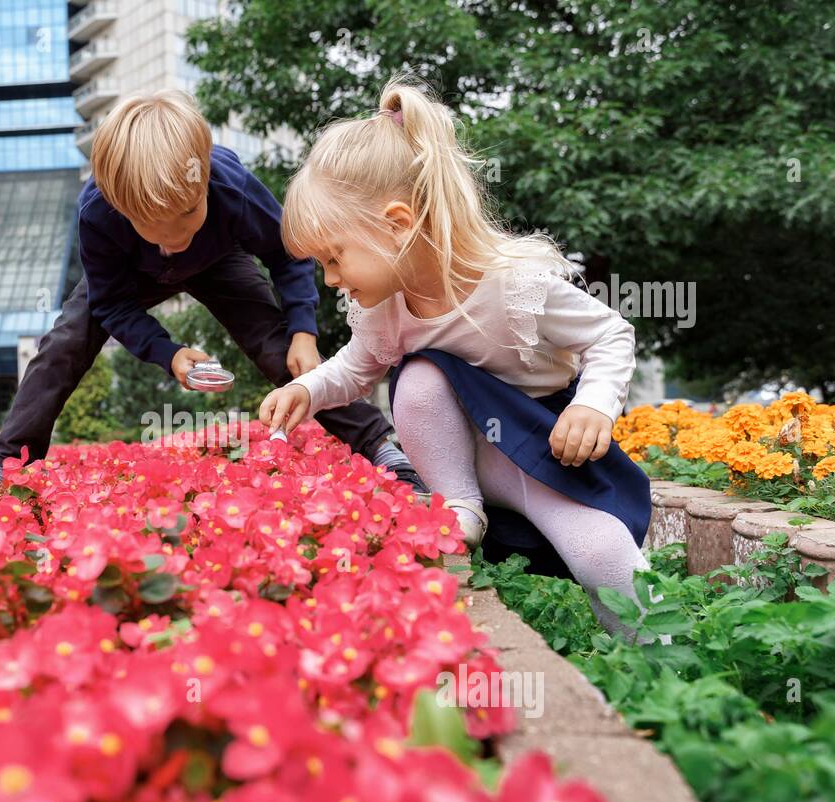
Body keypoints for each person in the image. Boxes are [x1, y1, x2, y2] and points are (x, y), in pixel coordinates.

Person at [259, 76, 653, 638]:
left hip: (544, 453)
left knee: (603, 555)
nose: (331, 279)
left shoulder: (513, 287)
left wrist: (593, 406)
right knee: (418, 375)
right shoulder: (384, 310)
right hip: (464, 460)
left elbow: (611, 334)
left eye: (335, 257)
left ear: (396, 226)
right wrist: (307, 390)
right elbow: (355, 367)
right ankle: (458, 507)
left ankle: (660, 658)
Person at [0, 90, 426, 495]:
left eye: (186, 216)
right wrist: (170, 353)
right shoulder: (97, 212)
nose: (172, 240)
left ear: (203, 182)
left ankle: (379, 445)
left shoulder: (232, 186)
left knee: (277, 346)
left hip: (218, 260)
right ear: (120, 206)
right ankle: (8, 465)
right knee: (63, 344)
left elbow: (289, 255)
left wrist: (304, 328)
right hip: (127, 276)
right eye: (151, 226)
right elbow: (111, 304)